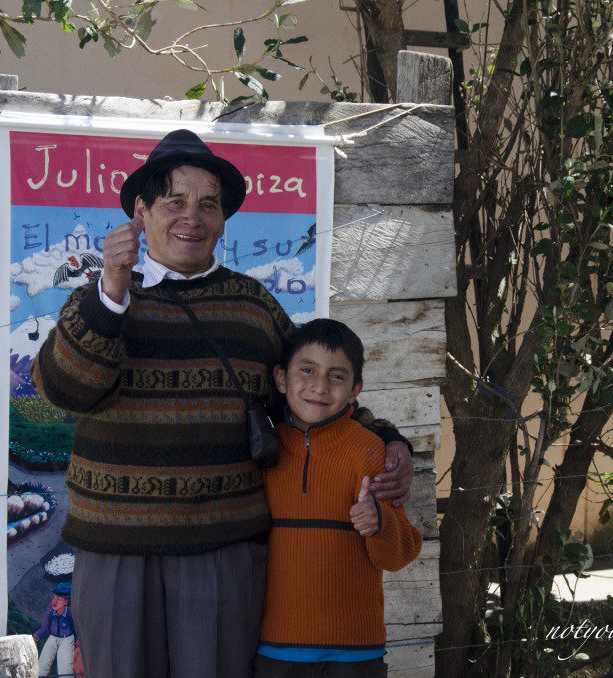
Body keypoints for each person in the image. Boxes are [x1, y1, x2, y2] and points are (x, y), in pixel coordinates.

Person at [31, 129, 414, 678]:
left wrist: (388, 439)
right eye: (174, 202)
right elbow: (64, 390)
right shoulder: (101, 300)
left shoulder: (253, 307)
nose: (192, 217)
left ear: (224, 219)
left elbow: (308, 396)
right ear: (141, 211)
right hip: (115, 548)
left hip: (223, 547)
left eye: (208, 205)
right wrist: (111, 291)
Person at [255, 319, 422, 677]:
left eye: (337, 376)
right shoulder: (265, 451)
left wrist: (379, 524)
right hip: (277, 646)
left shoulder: (369, 451)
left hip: (355, 652)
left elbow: (399, 556)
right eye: (307, 370)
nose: (319, 386)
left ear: (355, 389)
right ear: (281, 378)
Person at [32, 583, 76, 678]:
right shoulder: (49, 614)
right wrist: (35, 637)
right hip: (53, 637)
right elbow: (44, 629)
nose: (54, 602)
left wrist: (77, 643)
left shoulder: (70, 614)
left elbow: (75, 629)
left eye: (58, 599)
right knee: (43, 662)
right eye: (54, 598)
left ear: (66, 601)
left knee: (65, 665)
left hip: (67, 639)